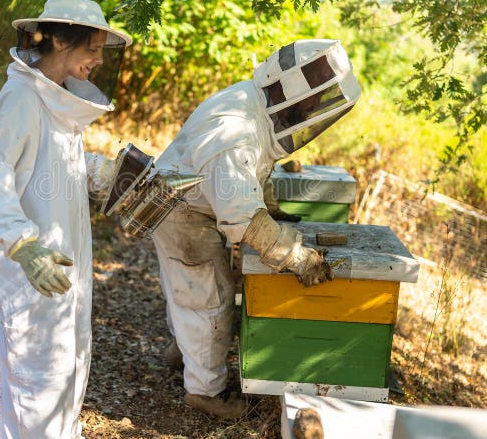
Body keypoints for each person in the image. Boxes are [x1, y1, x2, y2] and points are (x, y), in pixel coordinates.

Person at [151, 39, 361, 419]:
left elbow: (254, 167)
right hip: (182, 212)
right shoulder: (233, 128)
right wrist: (295, 257)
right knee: (209, 299)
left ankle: (184, 350)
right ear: (292, 88)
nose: (314, 108)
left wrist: (272, 208)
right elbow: (241, 214)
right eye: (314, 97)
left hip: (197, 202)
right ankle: (204, 391)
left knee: (194, 288)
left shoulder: (253, 106)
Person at [0, 0, 131, 438]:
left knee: (67, 369)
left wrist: (104, 171)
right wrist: (22, 244)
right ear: (59, 39)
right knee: (38, 382)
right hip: (30, 269)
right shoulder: (21, 97)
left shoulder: (55, 100)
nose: (98, 60)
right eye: (92, 48)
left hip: (59, 265)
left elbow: (52, 164)